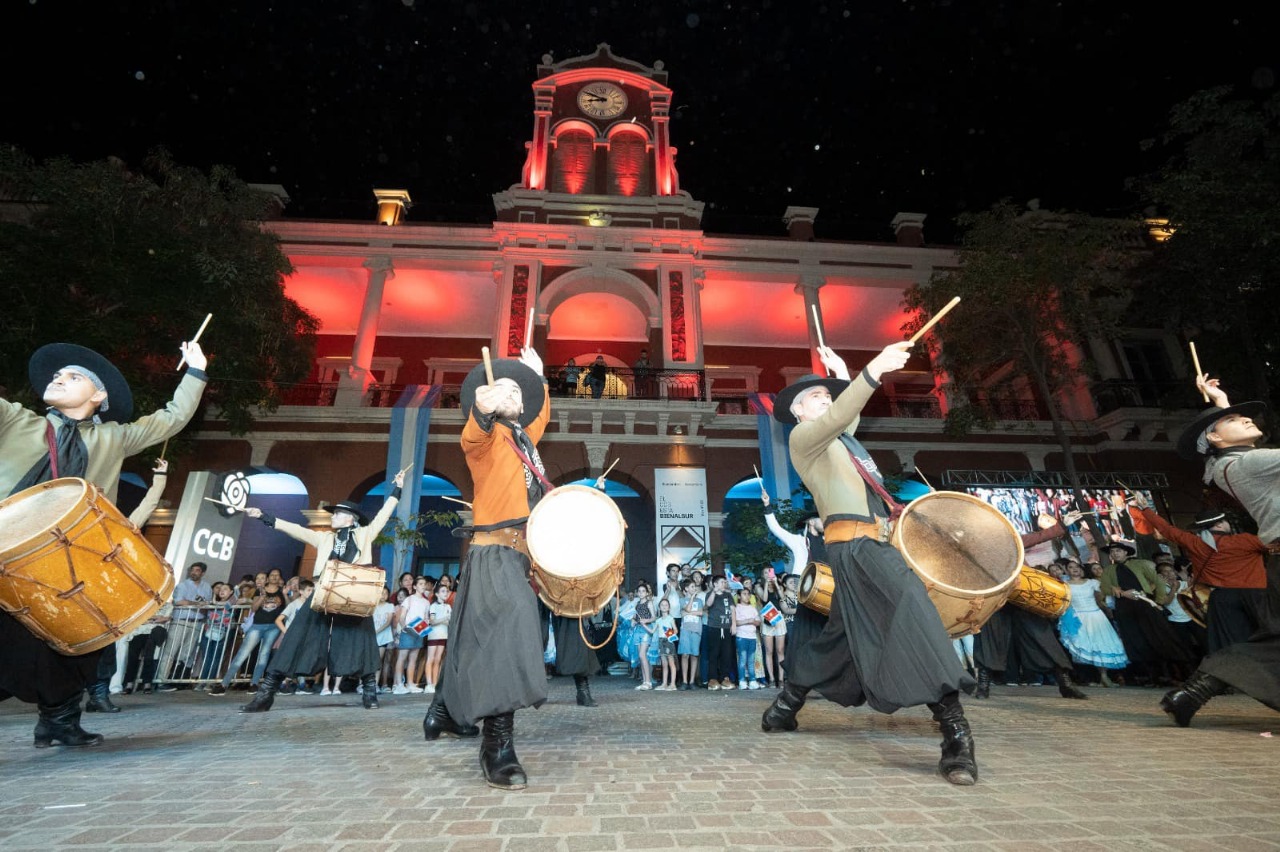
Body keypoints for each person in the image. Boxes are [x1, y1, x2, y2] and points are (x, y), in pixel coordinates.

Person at [760, 342, 978, 786]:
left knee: (841, 634)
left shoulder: (843, 444)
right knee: (910, 600)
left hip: (871, 545)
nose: (826, 400)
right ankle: (956, 732)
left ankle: (786, 706)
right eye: (816, 397)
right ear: (799, 412)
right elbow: (841, 415)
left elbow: (847, 419)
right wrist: (872, 370)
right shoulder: (804, 439)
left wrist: (844, 372)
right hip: (855, 546)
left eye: (828, 394)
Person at [0, 339, 208, 748]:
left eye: (73, 376)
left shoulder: (115, 438)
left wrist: (197, 372)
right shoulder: (15, 421)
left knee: (79, 641)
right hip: (8, 551)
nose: (60, 378)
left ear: (99, 396)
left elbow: (172, 418)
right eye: (57, 375)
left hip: (73, 561)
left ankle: (58, 722)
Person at [422, 346, 551, 790]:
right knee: (508, 640)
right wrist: (480, 407)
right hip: (494, 549)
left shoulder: (523, 437)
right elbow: (470, 438)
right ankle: (496, 747)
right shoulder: (489, 438)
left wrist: (540, 377)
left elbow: (541, 415)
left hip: (517, 555)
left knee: (475, 641)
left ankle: (442, 712)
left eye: (519, 392)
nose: (514, 395)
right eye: (506, 388)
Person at [1160, 377, 1280, 725]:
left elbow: (1230, 442)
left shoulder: (1229, 464)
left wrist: (1224, 403)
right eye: (1233, 420)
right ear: (1214, 438)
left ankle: (1194, 691)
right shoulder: (1248, 464)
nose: (1246, 419)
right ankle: (1196, 690)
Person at [236, 467, 405, 712]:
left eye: (337, 514)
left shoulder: (365, 534)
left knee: (362, 640)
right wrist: (264, 515)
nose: (333, 516)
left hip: (353, 593)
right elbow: (296, 529)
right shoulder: (324, 538)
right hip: (323, 591)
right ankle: (265, 694)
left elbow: (384, 514)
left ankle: (370, 693)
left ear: (350, 518)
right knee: (296, 636)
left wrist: (397, 488)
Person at [1130, 495, 1270, 654]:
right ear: (1220, 524)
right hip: (1256, 597)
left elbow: (1167, 530)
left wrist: (1145, 509)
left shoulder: (1195, 543)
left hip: (1222, 600)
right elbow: (1274, 542)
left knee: (1233, 646)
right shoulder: (1245, 540)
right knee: (1270, 638)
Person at [1058, 561, 1128, 686]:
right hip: (1078, 618)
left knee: (1101, 644)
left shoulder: (1092, 582)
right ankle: (1093, 678)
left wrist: (1114, 590)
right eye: (1070, 567)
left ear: (1081, 569)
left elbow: (1106, 590)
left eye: (1077, 567)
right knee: (1086, 645)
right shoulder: (1064, 585)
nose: (1074, 569)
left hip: (1095, 616)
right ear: (1067, 570)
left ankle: (1104, 676)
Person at [394, 576, 431, 694]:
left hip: (419, 631)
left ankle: (410, 683)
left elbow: (426, 617)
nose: (423, 586)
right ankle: (399, 684)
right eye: (420, 584)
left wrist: (426, 624)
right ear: (415, 586)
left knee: (413, 658)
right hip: (408, 630)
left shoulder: (426, 602)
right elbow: (402, 616)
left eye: (424, 584)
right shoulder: (409, 599)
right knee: (402, 656)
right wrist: (404, 627)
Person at [702, 575, 737, 690]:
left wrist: (734, 624)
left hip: (726, 627)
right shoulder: (710, 594)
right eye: (722, 582)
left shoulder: (728, 595)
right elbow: (708, 605)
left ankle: (725, 678)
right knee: (714, 653)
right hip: (714, 627)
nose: (724, 584)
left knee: (726, 654)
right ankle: (712, 679)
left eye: (725, 582)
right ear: (715, 583)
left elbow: (732, 610)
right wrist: (714, 591)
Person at [424, 582, 452, 694]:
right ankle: (428, 683)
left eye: (447, 591)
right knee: (430, 658)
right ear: (437, 594)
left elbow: (449, 621)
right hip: (434, 635)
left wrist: (446, 620)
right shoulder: (434, 606)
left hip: (444, 635)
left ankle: (435, 683)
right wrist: (444, 619)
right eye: (443, 591)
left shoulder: (448, 606)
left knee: (438, 659)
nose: (446, 593)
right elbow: (432, 621)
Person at [677, 578, 704, 691]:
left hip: (696, 629)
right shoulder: (682, 600)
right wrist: (692, 598)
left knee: (694, 655)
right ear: (686, 589)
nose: (695, 588)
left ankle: (692, 681)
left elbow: (701, 613)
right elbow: (686, 608)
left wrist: (688, 612)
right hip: (685, 630)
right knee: (685, 655)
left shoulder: (700, 601)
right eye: (692, 587)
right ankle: (684, 681)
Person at [732, 588, 761, 691]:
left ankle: (752, 680)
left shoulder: (752, 608)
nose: (747, 596)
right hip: (742, 636)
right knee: (742, 659)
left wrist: (753, 621)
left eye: (748, 594)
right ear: (739, 596)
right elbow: (736, 622)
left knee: (751, 660)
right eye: (744, 594)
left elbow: (758, 621)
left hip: (752, 637)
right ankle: (742, 680)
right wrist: (749, 621)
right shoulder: (737, 608)